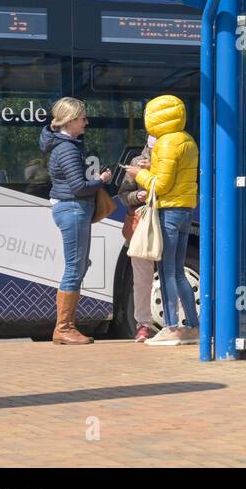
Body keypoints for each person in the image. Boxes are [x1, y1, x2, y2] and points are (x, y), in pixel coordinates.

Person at [125, 95, 200, 347]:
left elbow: (162, 186)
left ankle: (170, 327)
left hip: (168, 212)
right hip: (185, 210)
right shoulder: (187, 139)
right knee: (178, 273)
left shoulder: (167, 142)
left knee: (167, 272)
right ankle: (192, 325)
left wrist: (140, 173)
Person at [39, 97, 113, 345]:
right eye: (82, 118)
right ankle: (64, 328)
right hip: (73, 209)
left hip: (71, 210)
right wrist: (102, 179)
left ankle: (66, 327)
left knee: (79, 265)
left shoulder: (59, 143)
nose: (86, 122)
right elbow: (79, 187)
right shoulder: (68, 149)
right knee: (74, 267)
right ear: (70, 121)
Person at [116, 138, 157, 343]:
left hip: (167, 220)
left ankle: (174, 322)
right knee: (141, 276)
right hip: (142, 222)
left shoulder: (176, 154)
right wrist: (137, 196)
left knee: (170, 274)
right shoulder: (137, 160)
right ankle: (143, 325)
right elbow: (123, 194)